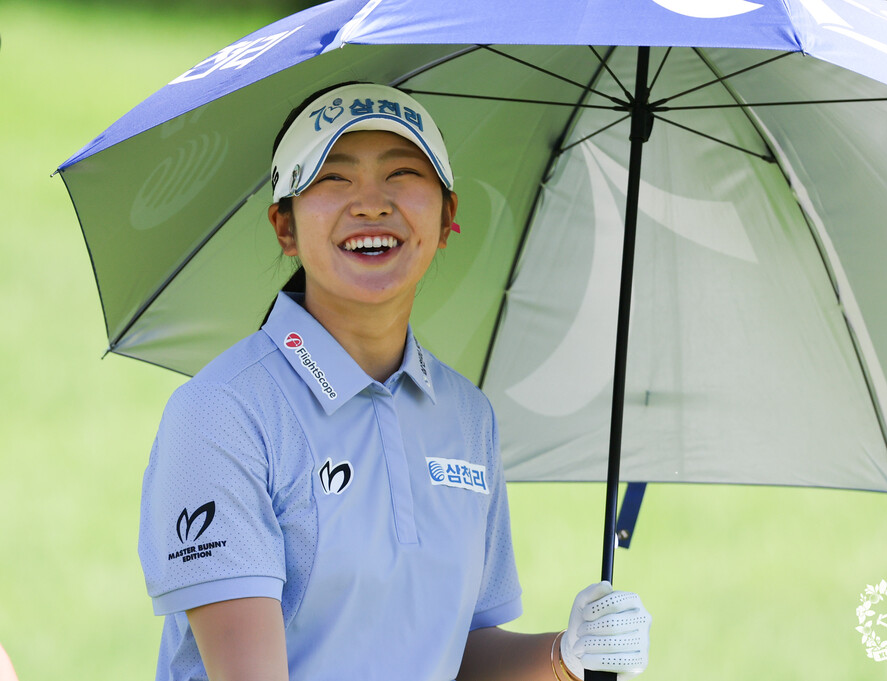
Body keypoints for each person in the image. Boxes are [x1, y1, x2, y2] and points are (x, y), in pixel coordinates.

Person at [138, 82, 651, 681]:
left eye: (403, 173)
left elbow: (459, 654)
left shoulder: (466, 416)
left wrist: (567, 655)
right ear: (285, 226)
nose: (372, 204)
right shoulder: (221, 412)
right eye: (334, 178)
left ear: (447, 218)